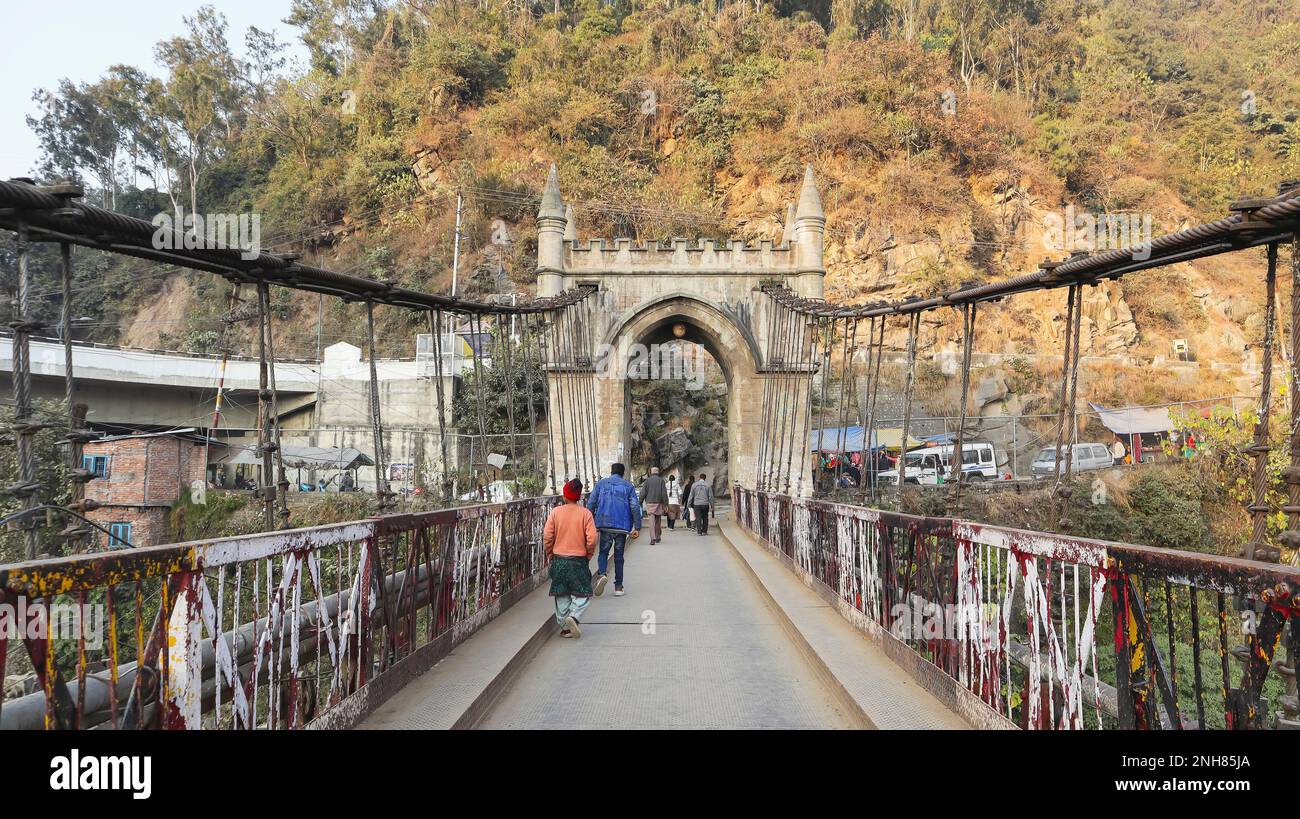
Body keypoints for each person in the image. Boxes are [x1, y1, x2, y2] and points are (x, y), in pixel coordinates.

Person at [544, 479, 598, 639]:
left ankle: (565, 627)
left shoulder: (555, 512)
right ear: (579, 496)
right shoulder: (586, 514)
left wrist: (550, 552)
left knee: (561, 593)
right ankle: (574, 616)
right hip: (578, 559)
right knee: (582, 592)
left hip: (559, 558)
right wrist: (588, 554)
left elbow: (547, 536)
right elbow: (592, 538)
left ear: (565, 495)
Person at [586, 463, 641, 597]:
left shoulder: (601, 484)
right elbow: (634, 506)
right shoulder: (628, 486)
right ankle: (618, 587)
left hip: (605, 524)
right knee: (618, 556)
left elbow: (591, 504)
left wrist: (589, 523)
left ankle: (602, 574)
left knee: (603, 552)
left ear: (611, 472)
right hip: (622, 528)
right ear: (623, 473)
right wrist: (637, 527)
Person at [641, 466, 669, 544]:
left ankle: (652, 538)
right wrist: (666, 504)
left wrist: (640, 501)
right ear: (658, 472)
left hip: (649, 503)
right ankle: (658, 536)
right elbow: (664, 493)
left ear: (651, 472)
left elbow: (643, 493)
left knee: (651, 521)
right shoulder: (661, 481)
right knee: (658, 521)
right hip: (659, 503)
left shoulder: (647, 481)